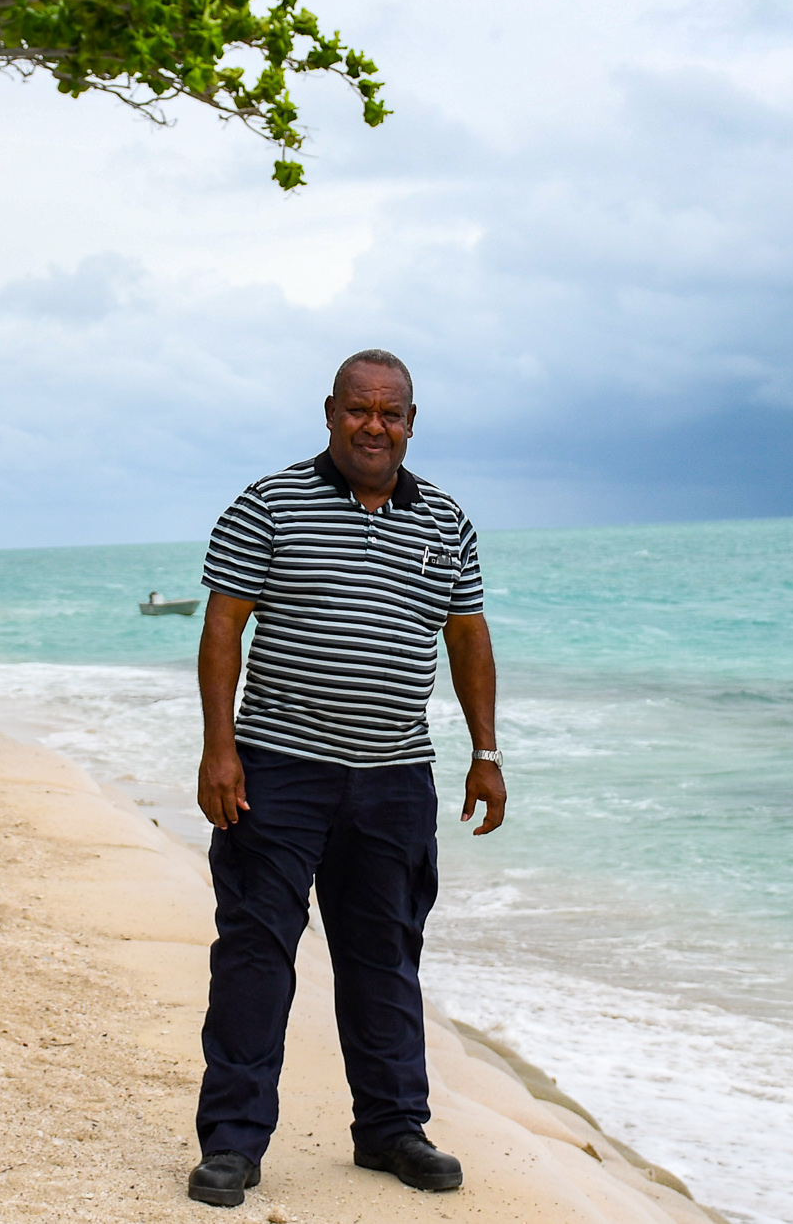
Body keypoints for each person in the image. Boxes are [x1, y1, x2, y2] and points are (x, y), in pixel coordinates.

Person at [186, 349, 506, 1208]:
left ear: (411, 420)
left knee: (386, 956)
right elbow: (224, 628)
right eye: (358, 410)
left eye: (390, 412)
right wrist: (221, 747)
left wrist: (486, 751)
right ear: (330, 412)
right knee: (256, 953)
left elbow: (466, 635)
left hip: (396, 776)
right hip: (279, 768)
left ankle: (393, 1127)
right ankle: (233, 1143)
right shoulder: (269, 503)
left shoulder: (446, 519)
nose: (374, 425)